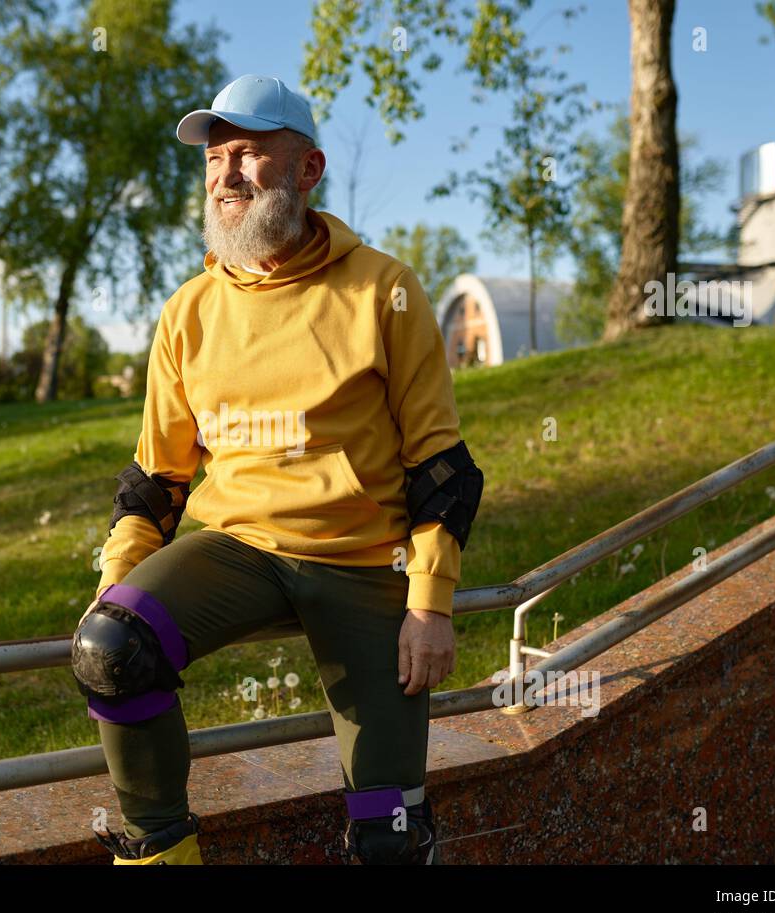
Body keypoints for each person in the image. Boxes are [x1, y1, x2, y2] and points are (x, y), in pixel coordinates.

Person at [71, 74, 484, 865]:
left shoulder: (384, 289)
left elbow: (441, 467)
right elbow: (156, 480)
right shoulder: (188, 311)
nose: (226, 175)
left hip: (365, 559)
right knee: (111, 649)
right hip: (236, 548)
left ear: (308, 170)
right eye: (216, 157)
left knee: (389, 839)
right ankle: (161, 852)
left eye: (251, 153)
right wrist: (118, 579)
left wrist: (430, 603)